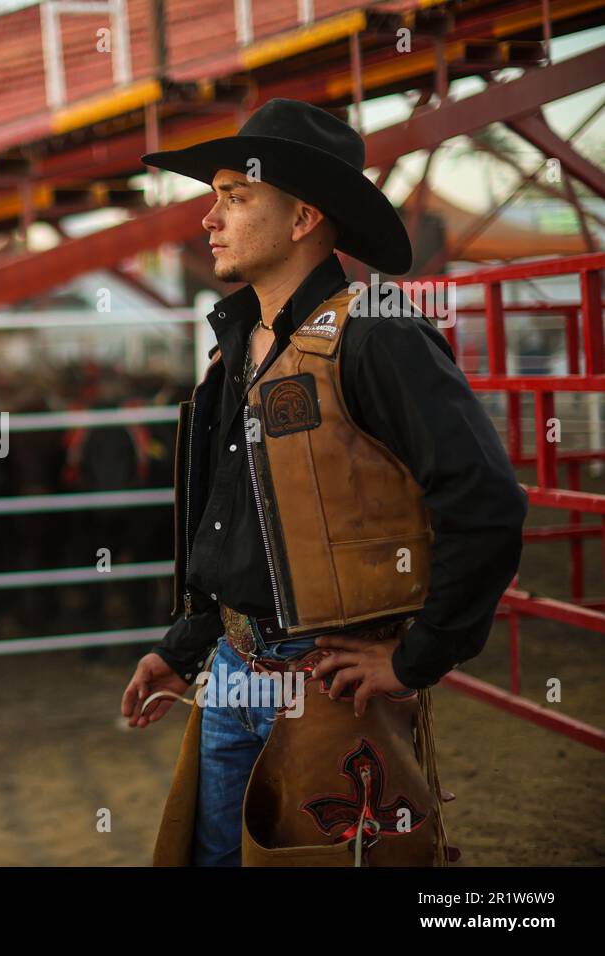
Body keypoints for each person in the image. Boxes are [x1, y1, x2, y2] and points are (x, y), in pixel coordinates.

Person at [119, 98, 527, 865]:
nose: (209, 219)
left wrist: (416, 657)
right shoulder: (234, 344)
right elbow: (233, 517)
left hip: (336, 685)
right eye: (215, 198)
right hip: (234, 674)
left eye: (234, 199)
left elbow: (488, 502)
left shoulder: (378, 332)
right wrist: (187, 643)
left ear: (303, 217)